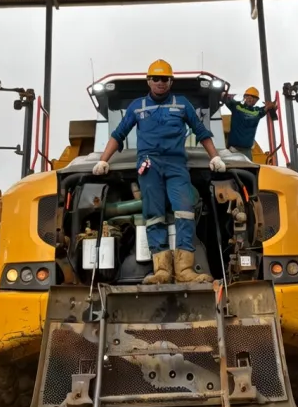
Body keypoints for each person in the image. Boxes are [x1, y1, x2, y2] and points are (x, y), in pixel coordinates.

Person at [92, 59, 226, 285]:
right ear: (149, 80)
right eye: (156, 78)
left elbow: (200, 131)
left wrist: (214, 156)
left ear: (171, 81)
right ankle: (162, 271)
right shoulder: (137, 106)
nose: (160, 82)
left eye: (165, 78)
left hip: (176, 165)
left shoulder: (182, 104)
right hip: (149, 165)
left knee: (184, 211)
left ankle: (184, 270)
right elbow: (119, 134)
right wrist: (103, 161)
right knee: (153, 215)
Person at [223, 86, 277, 160]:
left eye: (253, 97)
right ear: (244, 97)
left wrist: (272, 105)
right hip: (232, 149)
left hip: (247, 151)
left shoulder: (258, 111)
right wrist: (225, 95)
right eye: (247, 96)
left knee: (249, 170)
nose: (250, 98)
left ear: (257, 100)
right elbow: (224, 98)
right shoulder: (236, 106)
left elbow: (270, 106)